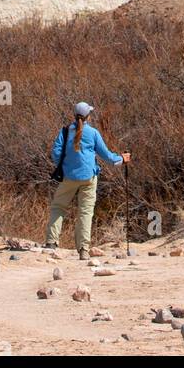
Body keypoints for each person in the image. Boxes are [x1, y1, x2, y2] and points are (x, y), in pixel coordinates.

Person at [45, 102, 130, 259]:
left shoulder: (64, 131)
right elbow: (107, 156)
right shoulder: (93, 133)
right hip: (89, 177)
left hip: (69, 177)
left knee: (58, 207)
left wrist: (64, 166)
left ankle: (51, 243)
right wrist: (122, 159)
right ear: (88, 116)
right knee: (85, 212)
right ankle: (84, 249)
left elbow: (55, 153)